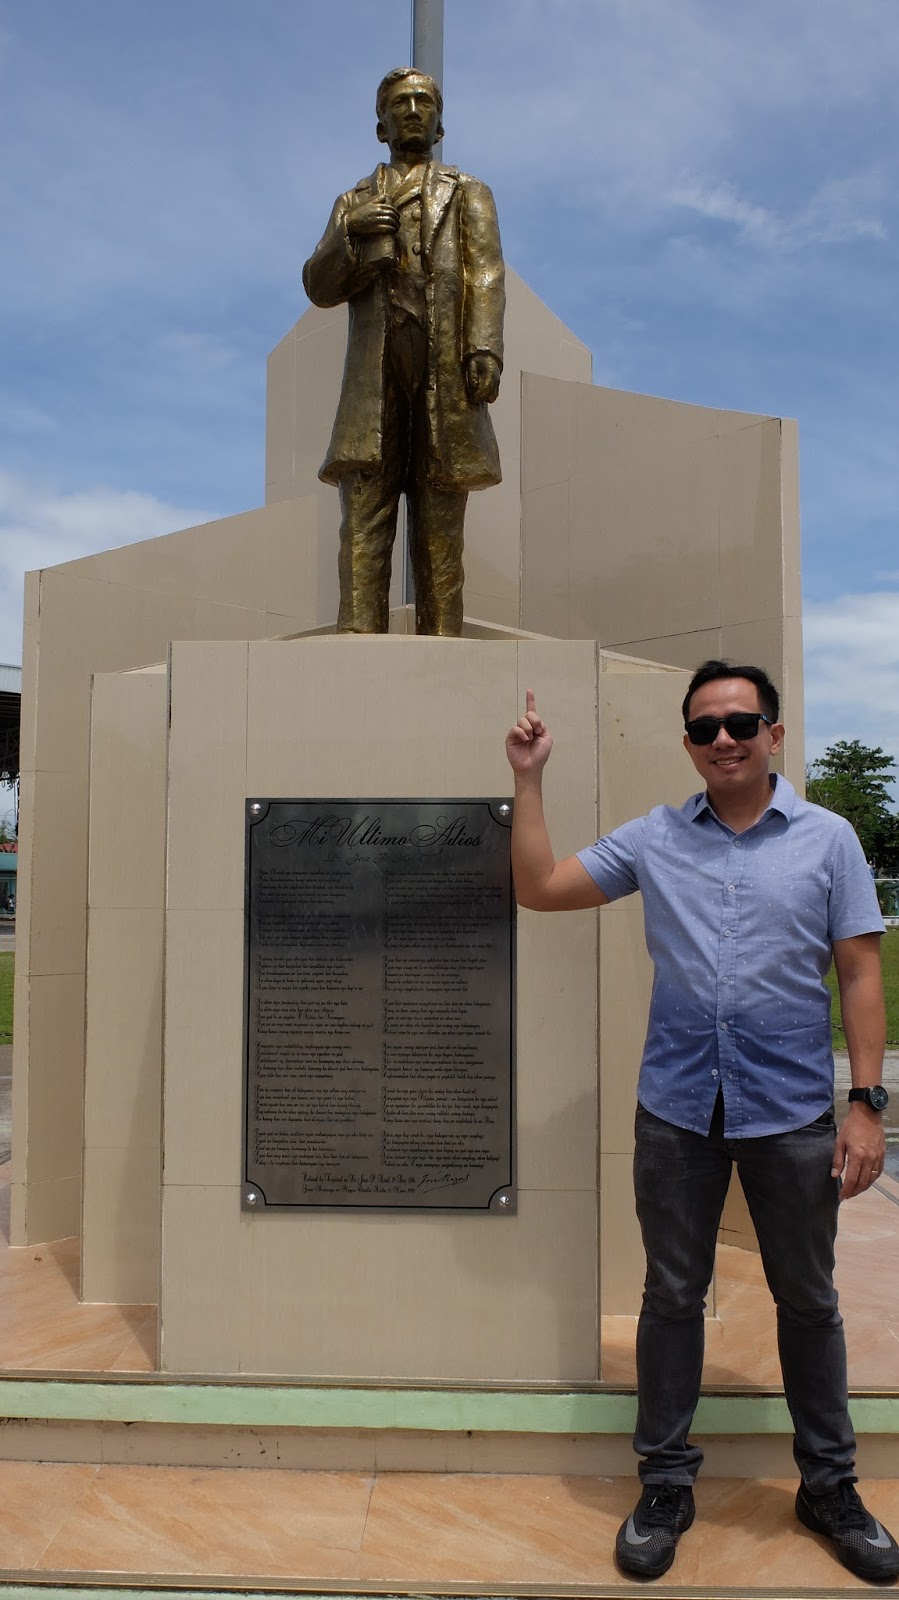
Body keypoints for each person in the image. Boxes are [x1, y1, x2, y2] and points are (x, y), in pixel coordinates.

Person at [505, 660, 899, 1584]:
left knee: (807, 1301)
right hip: (678, 1110)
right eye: (705, 728)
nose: (724, 738)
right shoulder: (654, 838)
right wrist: (527, 781)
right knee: (671, 1298)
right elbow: (541, 887)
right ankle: (666, 1483)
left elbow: (859, 974)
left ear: (774, 734)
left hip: (793, 1111)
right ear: (688, 743)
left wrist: (865, 1106)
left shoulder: (828, 839)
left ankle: (828, 1486)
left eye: (741, 722)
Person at [303, 67, 505, 637]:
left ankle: (443, 643)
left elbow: (486, 272)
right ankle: (358, 640)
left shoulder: (467, 192)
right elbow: (318, 285)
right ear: (380, 125)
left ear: (440, 124)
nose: (413, 110)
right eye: (399, 103)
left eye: (423, 101)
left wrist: (484, 345)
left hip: (445, 372)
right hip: (376, 376)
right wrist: (353, 236)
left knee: (441, 515)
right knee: (364, 510)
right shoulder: (353, 201)